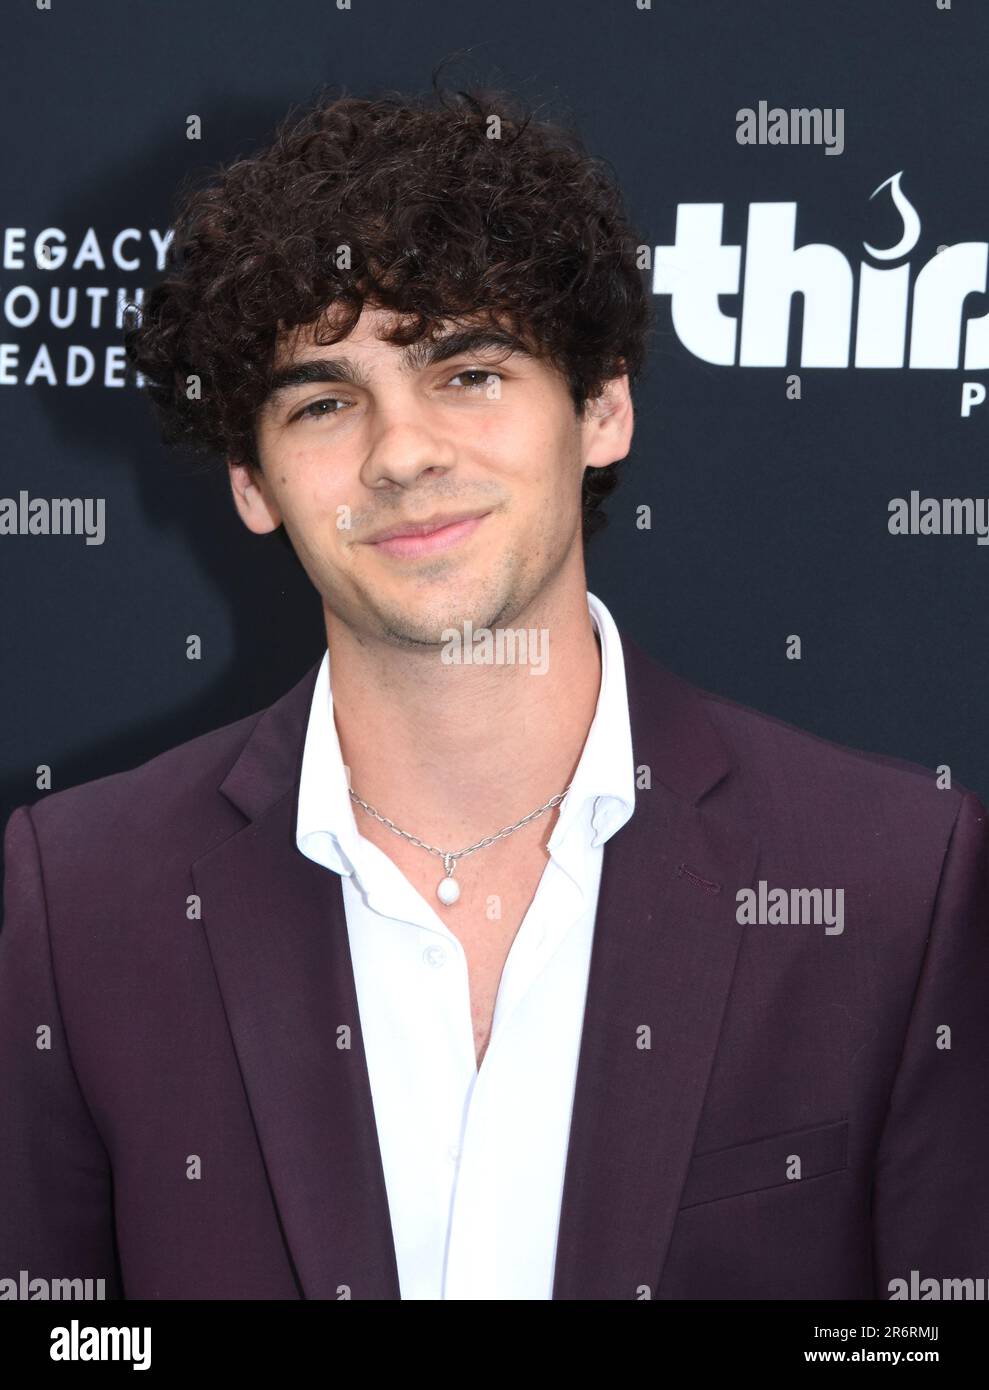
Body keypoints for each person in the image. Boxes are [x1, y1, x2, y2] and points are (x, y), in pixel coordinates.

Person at [1, 84, 987, 1302]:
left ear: (601, 408)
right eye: (323, 401)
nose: (401, 451)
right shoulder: (83, 895)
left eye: (466, 372)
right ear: (253, 483)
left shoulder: (895, 879)